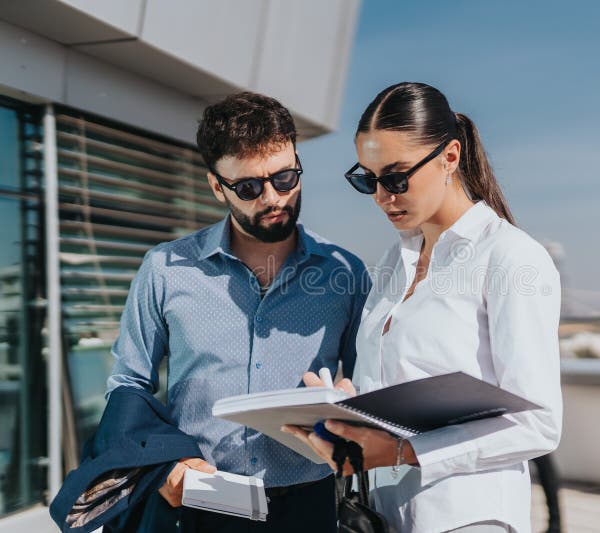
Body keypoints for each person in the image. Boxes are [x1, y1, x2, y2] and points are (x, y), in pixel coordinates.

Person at [284, 82, 562, 533]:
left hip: (465, 517)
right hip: (385, 514)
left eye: (396, 177)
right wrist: (340, 410)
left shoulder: (510, 257)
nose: (380, 195)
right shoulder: (395, 263)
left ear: (450, 157)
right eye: (366, 178)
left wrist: (402, 453)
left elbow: (538, 423)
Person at [106, 91, 370, 532]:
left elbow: (367, 386)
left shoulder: (346, 274)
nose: (273, 198)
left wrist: (349, 405)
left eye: (285, 178)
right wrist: (166, 467)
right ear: (216, 186)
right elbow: (129, 385)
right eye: (248, 187)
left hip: (310, 505)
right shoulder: (166, 269)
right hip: (200, 500)